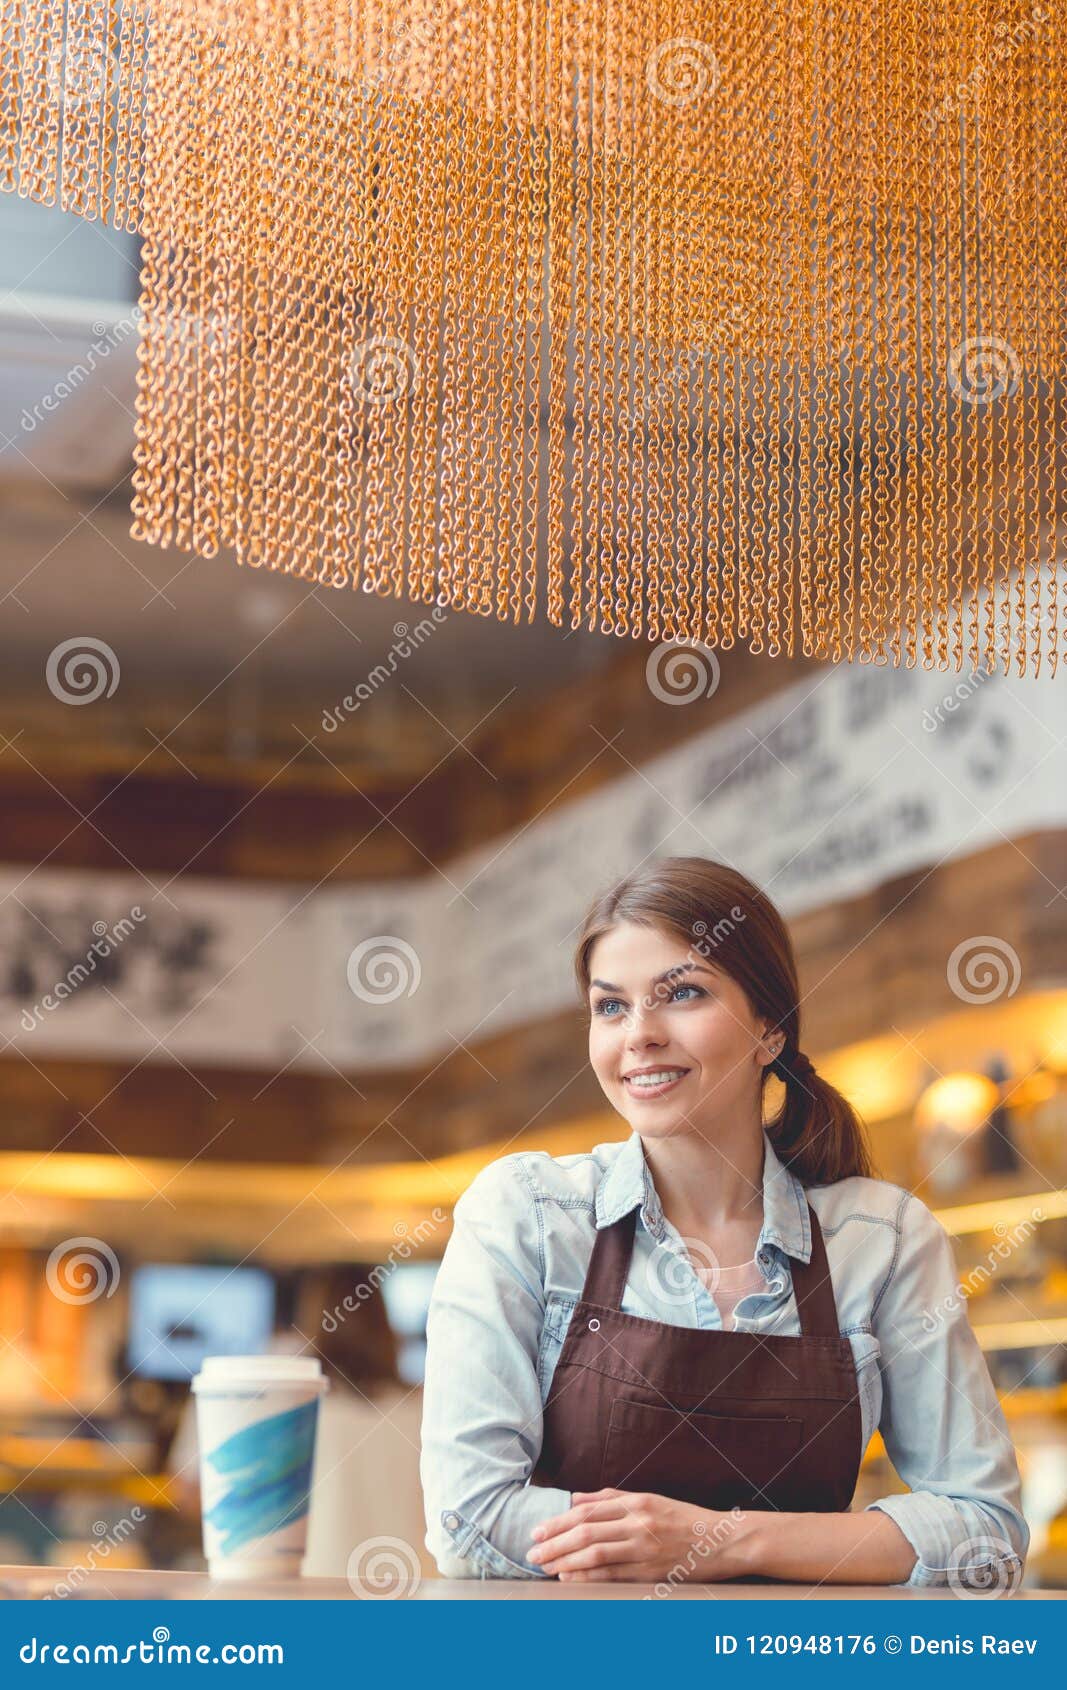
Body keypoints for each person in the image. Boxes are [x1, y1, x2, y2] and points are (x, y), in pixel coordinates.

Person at [420, 856, 1028, 1588]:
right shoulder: (527, 1214)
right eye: (610, 1006)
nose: (637, 1035)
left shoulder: (883, 1239)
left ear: (768, 1029)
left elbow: (984, 1537)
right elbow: (468, 1522)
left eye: (681, 994)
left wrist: (718, 1541)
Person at [168, 1267, 430, 1580]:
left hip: (307, 1591)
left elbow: (190, 1490)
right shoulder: (425, 1410)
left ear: (311, 1319)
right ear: (388, 1326)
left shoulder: (280, 1401)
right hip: (407, 1591)